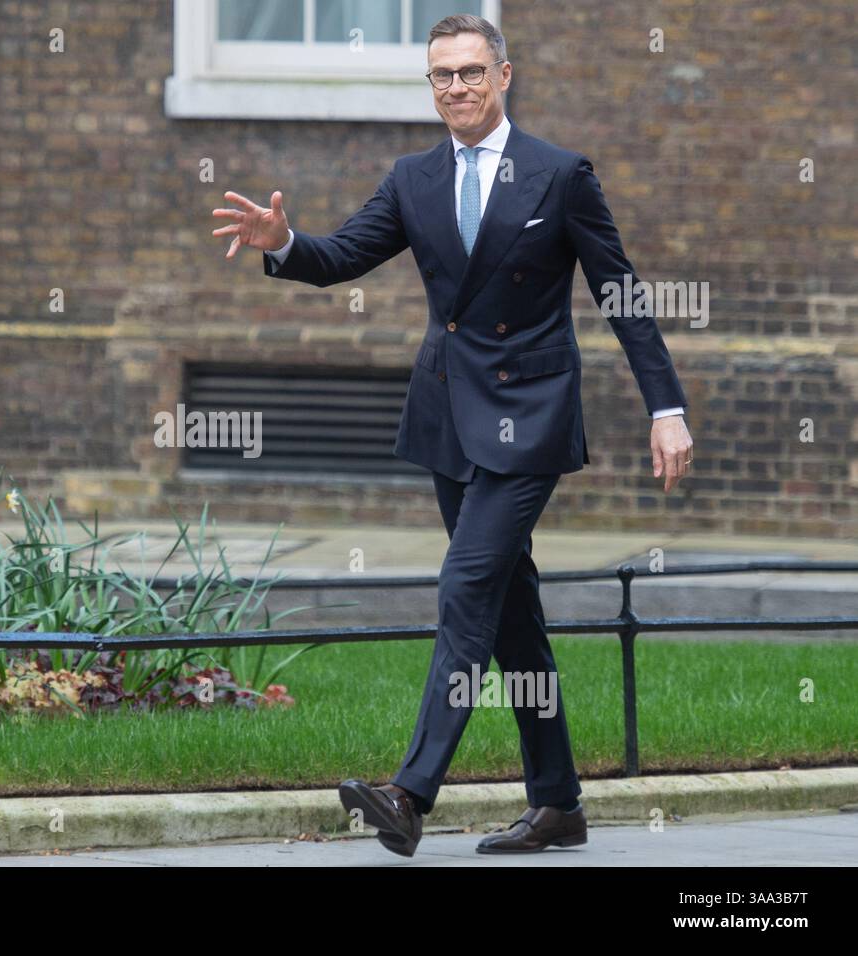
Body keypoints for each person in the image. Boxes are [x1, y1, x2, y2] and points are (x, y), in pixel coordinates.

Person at [211, 13, 693, 858]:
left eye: (472, 72)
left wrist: (667, 407)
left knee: (466, 586)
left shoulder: (559, 174)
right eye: (442, 76)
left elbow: (622, 293)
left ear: (504, 76)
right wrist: (282, 240)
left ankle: (409, 791)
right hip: (446, 419)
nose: (458, 88)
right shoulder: (414, 179)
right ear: (429, 86)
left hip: (532, 417)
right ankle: (559, 806)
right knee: (511, 615)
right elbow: (342, 256)